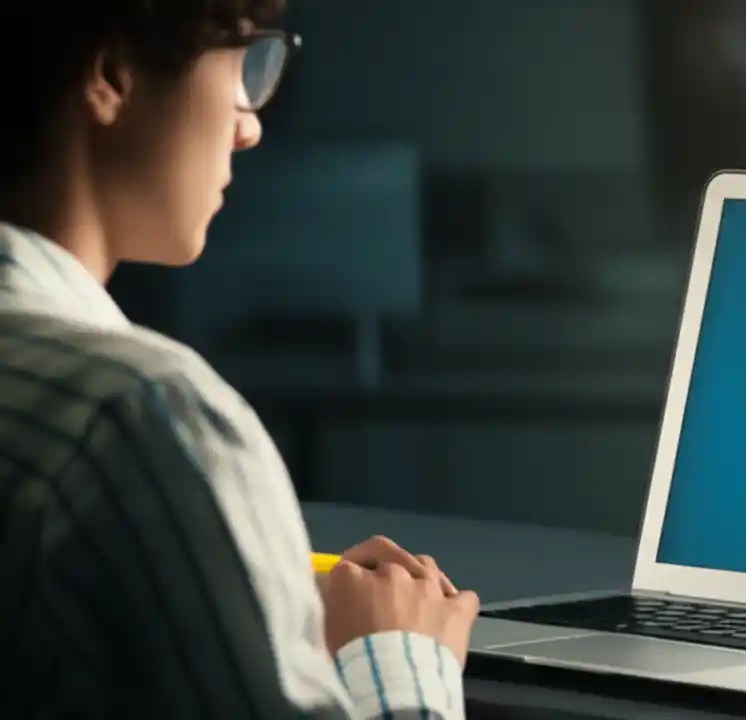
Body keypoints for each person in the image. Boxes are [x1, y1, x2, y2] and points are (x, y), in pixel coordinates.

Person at [0, 1, 479, 717]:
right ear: (111, 73)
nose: (249, 124)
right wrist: (399, 656)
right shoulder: (144, 415)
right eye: (240, 63)